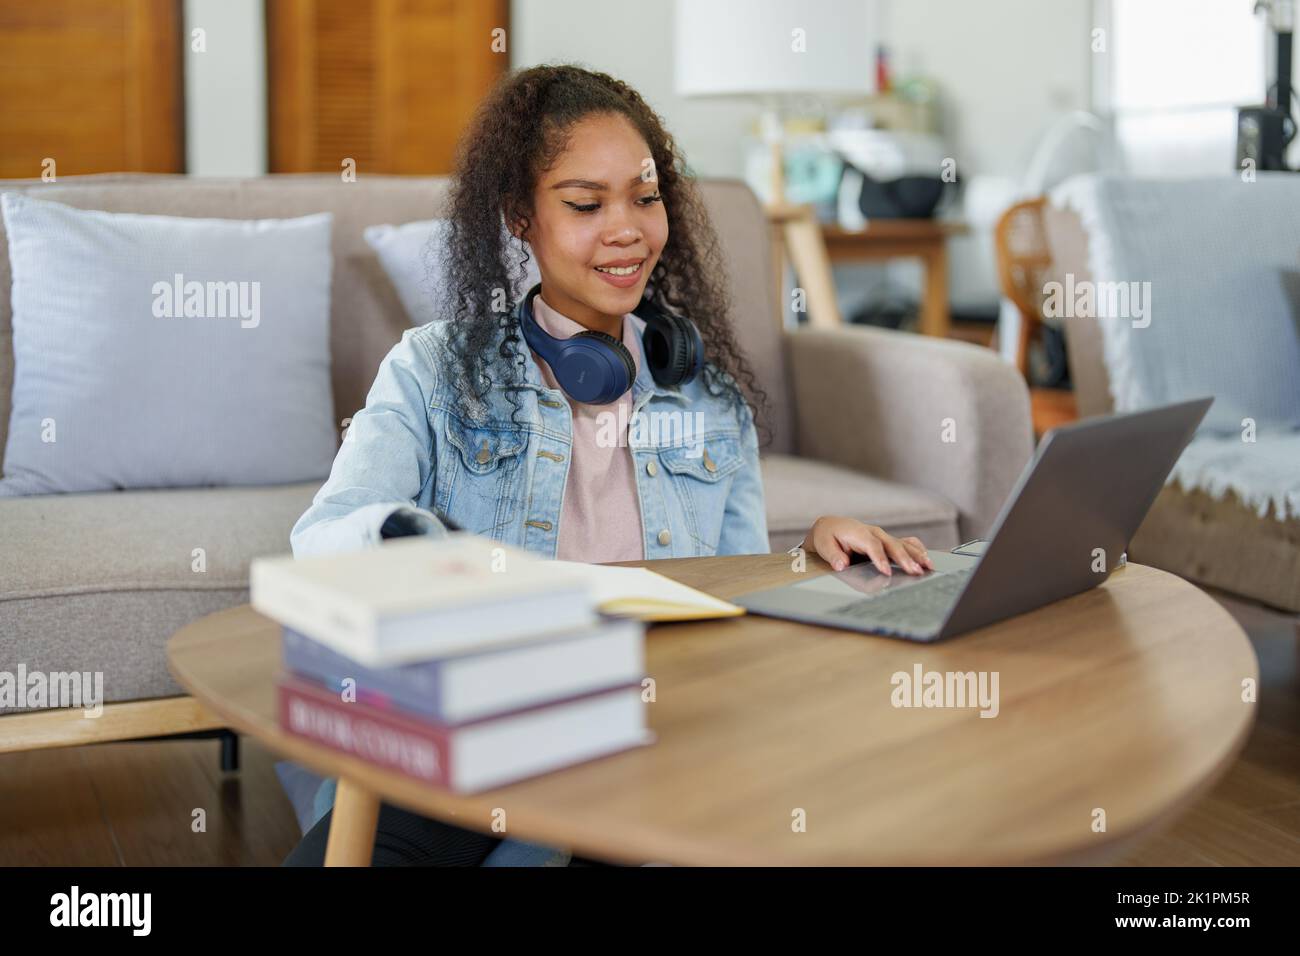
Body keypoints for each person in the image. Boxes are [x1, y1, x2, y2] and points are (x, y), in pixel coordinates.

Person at [283, 63, 933, 867]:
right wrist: (420, 545)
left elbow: (731, 601)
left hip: (649, 725)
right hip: (478, 720)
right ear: (521, 217)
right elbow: (321, 543)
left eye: (646, 196)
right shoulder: (431, 370)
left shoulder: (709, 395)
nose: (627, 229)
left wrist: (813, 553)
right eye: (586, 205)